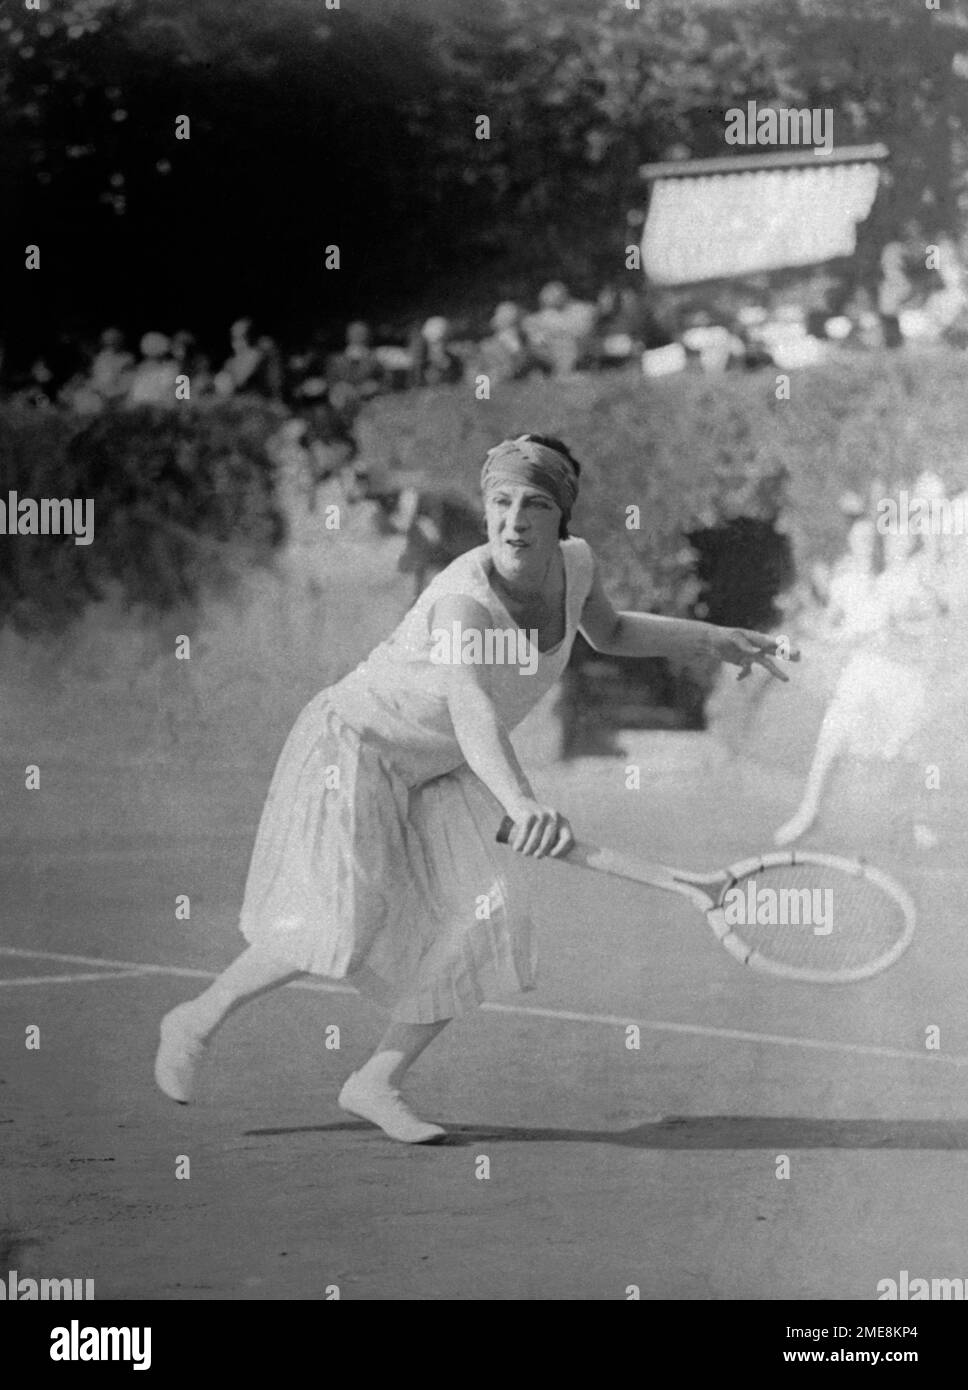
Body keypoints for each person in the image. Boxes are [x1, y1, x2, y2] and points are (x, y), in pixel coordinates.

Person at [155, 434, 791, 1141]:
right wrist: (521, 802)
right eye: (501, 502)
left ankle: (375, 1082)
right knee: (342, 922)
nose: (515, 519)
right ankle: (196, 1018)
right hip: (356, 744)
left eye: (536, 504)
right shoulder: (464, 601)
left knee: (488, 915)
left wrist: (711, 638)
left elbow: (608, 632)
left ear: (562, 519)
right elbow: (471, 706)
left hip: (441, 763)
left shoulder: (575, 567)